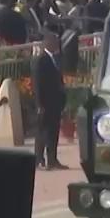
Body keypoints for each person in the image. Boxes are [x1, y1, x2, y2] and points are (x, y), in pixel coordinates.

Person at [30, 31, 68, 170]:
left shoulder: (56, 58)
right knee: (42, 132)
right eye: (53, 41)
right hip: (44, 103)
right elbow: (37, 84)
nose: (56, 44)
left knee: (53, 131)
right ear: (46, 42)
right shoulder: (40, 59)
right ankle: (39, 159)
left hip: (55, 102)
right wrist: (39, 104)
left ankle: (52, 159)